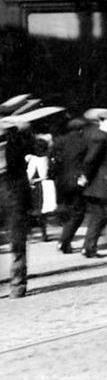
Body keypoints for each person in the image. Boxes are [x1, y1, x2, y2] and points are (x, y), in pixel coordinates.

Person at [79, 109, 107, 258]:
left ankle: (89, 247)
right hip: (106, 183)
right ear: (103, 122)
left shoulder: (102, 137)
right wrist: (85, 175)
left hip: (99, 184)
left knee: (99, 216)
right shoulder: (102, 138)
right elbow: (91, 160)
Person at [0, 115, 32, 297]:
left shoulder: (16, 138)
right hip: (10, 193)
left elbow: (39, 149)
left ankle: (18, 284)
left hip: (13, 194)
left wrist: (25, 131)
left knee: (17, 241)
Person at [52, 117, 88, 254]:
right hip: (76, 180)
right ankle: (64, 240)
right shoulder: (83, 143)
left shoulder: (59, 141)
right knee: (78, 213)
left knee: (68, 211)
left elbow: (54, 161)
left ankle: (65, 242)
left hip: (61, 182)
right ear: (80, 130)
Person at [25, 137, 52, 242]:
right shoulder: (47, 158)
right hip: (44, 185)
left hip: (35, 186)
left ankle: (30, 234)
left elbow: (29, 175)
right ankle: (43, 234)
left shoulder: (33, 159)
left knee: (32, 210)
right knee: (42, 211)